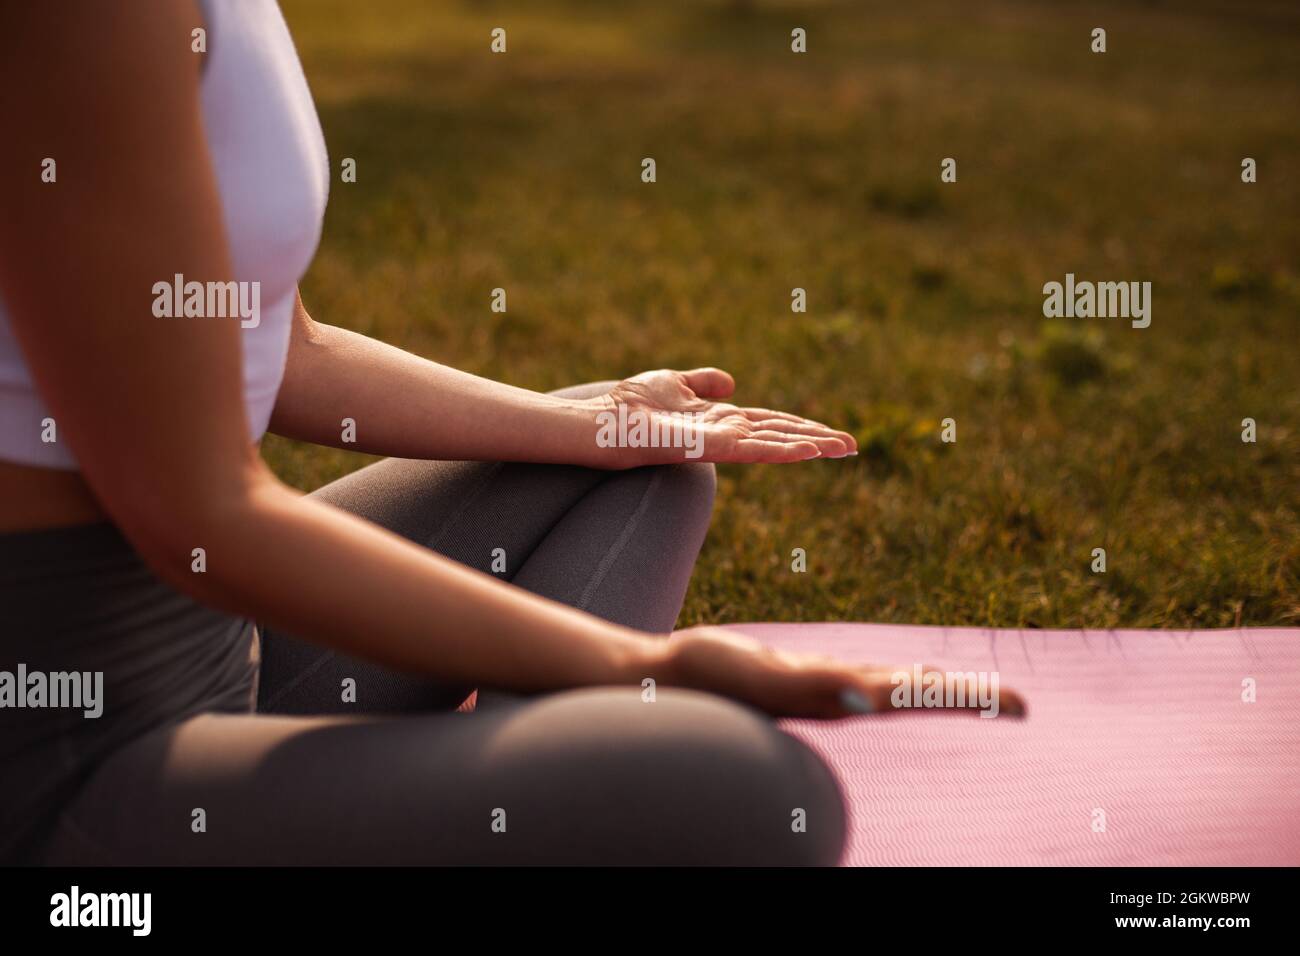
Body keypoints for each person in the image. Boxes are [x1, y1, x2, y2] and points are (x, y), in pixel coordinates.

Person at [0, 1, 1021, 866]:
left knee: (652, 466)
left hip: (231, 657)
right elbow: (204, 516)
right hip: (72, 754)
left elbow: (287, 348)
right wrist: (649, 666)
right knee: (754, 788)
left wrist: (590, 424)